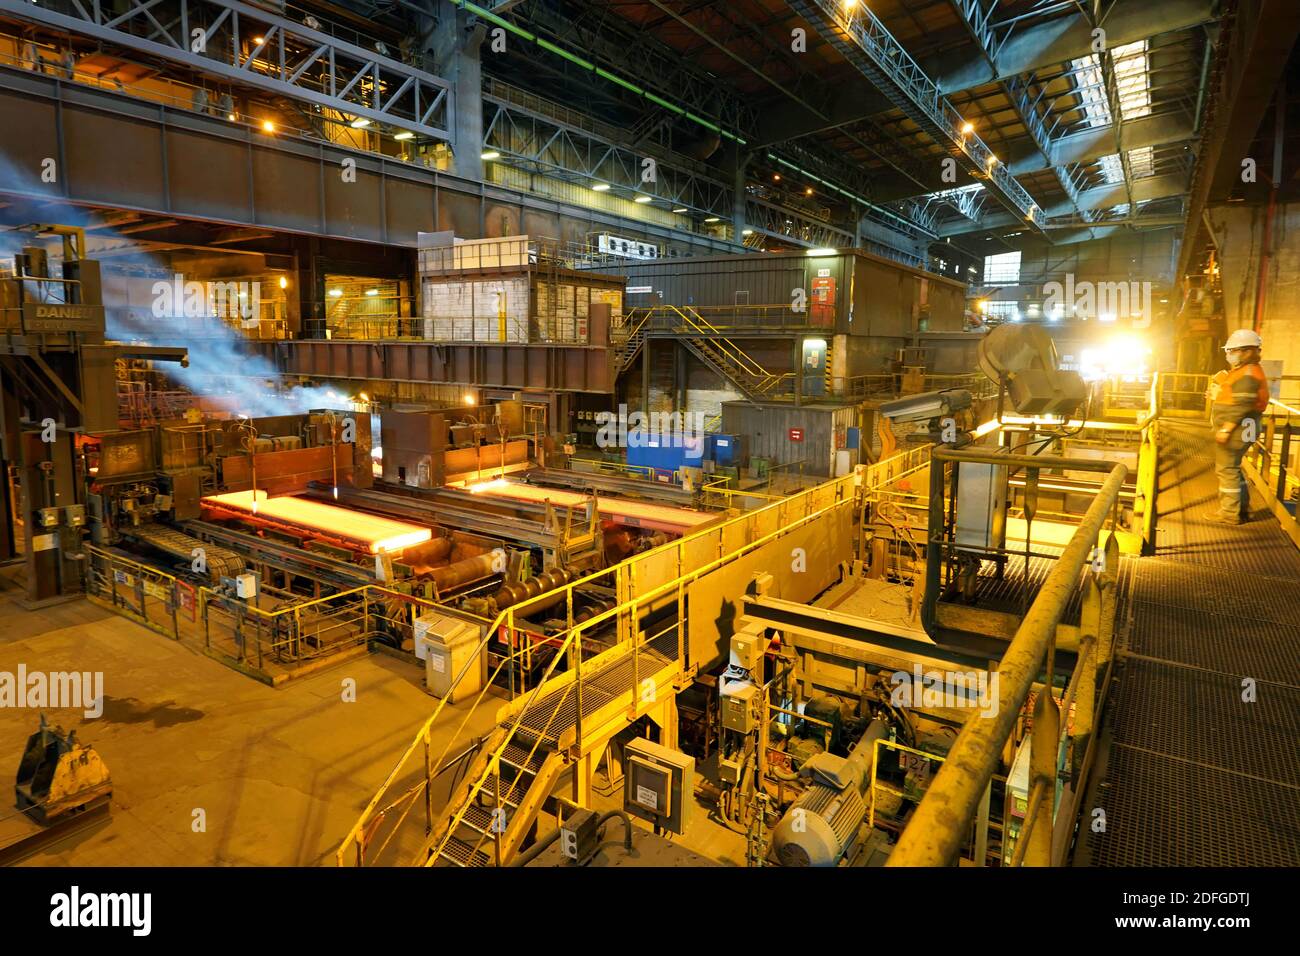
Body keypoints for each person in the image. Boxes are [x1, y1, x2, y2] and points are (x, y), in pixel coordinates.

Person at [1206, 329, 1269, 524]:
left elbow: (1242, 405)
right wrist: (1218, 395)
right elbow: (1238, 397)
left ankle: (1229, 513)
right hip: (1245, 427)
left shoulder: (1248, 373)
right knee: (1233, 468)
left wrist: (1226, 429)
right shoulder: (1246, 371)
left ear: (1246, 351)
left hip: (1237, 429)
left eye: (1232, 351)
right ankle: (1243, 509)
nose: (1229, 355)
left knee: (1226, 470)